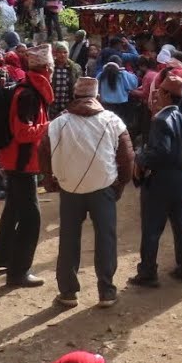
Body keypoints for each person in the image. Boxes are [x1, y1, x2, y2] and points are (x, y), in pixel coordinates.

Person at [42, 77, 133, 309]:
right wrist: (121, 184)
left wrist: (49, 179)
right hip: (103, 188)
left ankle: (68, 293)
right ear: (97, 96)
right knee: (106, 238)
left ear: (75, 96)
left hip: (70, 188)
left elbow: (43, 151)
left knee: (69, 238)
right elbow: (127, 157)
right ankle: (107, 292)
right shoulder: (112, 120)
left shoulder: (59, 123)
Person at [0, 45, 54, 288]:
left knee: (13, 211)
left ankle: (2, 258)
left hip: (15, 160)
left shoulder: (30, 91)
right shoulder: (28, 95)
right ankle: (18, 272)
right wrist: (51, 126)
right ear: (47, 69)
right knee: (31, 220)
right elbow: (22, 132)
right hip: (21, 163)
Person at [129, 76, 182, 287]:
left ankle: (148, 272)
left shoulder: (160, 121)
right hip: (180, 181)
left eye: (159, 91)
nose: (156, 94)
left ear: (167, 95)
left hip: (159, 184)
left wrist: (140, 155)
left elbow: (160, 153)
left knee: (151, 229)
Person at [50, 42, 78, 117]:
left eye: (65, 52)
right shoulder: (50, 67)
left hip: (68, 107)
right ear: (55, 53)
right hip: (52, 107)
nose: (62, 55)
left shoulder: (74, 68)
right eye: (59, 52)